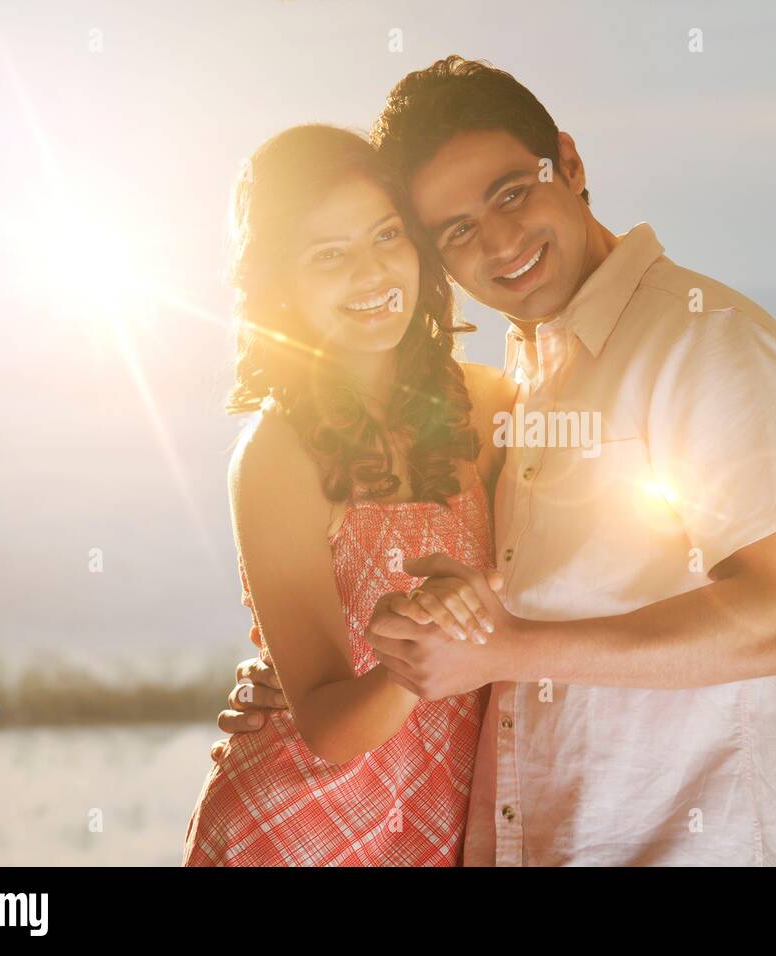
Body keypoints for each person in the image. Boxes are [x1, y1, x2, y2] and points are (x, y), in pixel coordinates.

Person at [218, 56, 776, 866]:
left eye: (511, 193)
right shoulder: (517, 386)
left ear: (570, 166)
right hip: (491, 838)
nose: (500, 243)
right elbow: (373, 640)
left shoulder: (704, 340)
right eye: (457, 231)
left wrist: (493, 651)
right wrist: (318, 681)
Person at [183, 124, 513, 866]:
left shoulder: (491, 408)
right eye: (328, 255)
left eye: (386, 235)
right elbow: (328, 724)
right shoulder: (277, 456)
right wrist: (415, 656)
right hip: (300, 829)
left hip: (450, 817)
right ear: (281, 288)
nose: (371, 274)